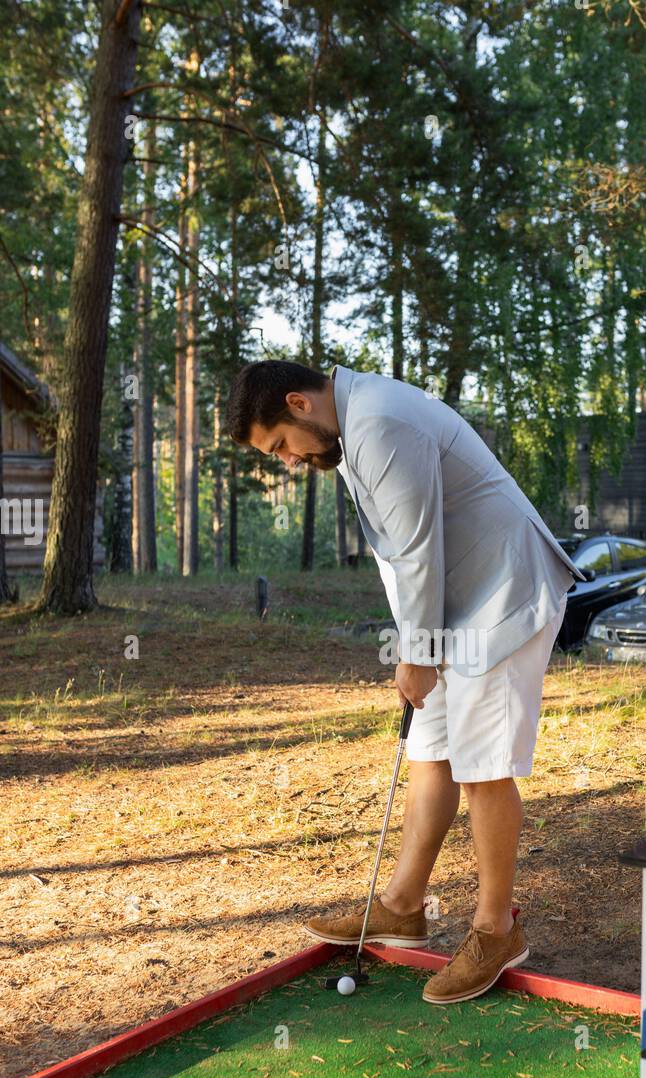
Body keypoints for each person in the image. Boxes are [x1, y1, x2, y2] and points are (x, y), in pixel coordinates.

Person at [225, 360, 581, 1003]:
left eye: (279, 445)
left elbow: (417, 550)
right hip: (455, 607)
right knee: (431, 755)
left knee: (482, 766)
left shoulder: (382, 422)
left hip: (504, 592)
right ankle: (402, 904)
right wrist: (418, 649)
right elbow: (405, 552)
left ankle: (495, 929)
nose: (287, 461)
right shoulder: (355, 425)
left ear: (299, 403)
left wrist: (415, 653)